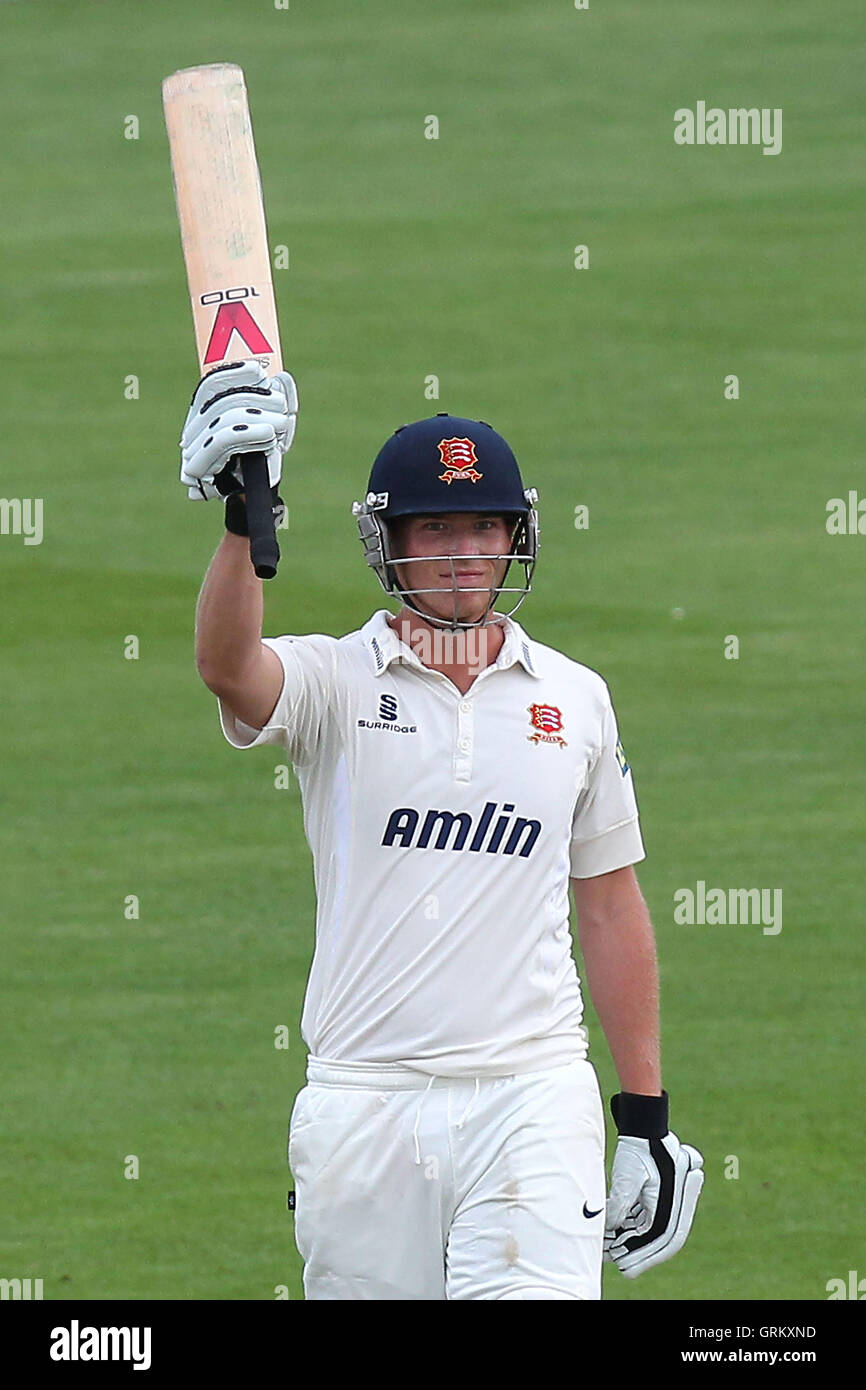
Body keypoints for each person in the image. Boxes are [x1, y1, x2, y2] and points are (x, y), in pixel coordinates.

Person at [182, 360, 704, 1301]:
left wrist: (647, 1117)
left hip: (532, 1097)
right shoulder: (336, 683)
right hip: (363, 1102)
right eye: (436, 529)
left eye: (484, 527)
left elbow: (611, 902)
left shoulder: (576, 700)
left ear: (516, 539)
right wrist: (239, 515)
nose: (464, 553)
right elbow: (228, 666)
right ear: (390, 543)